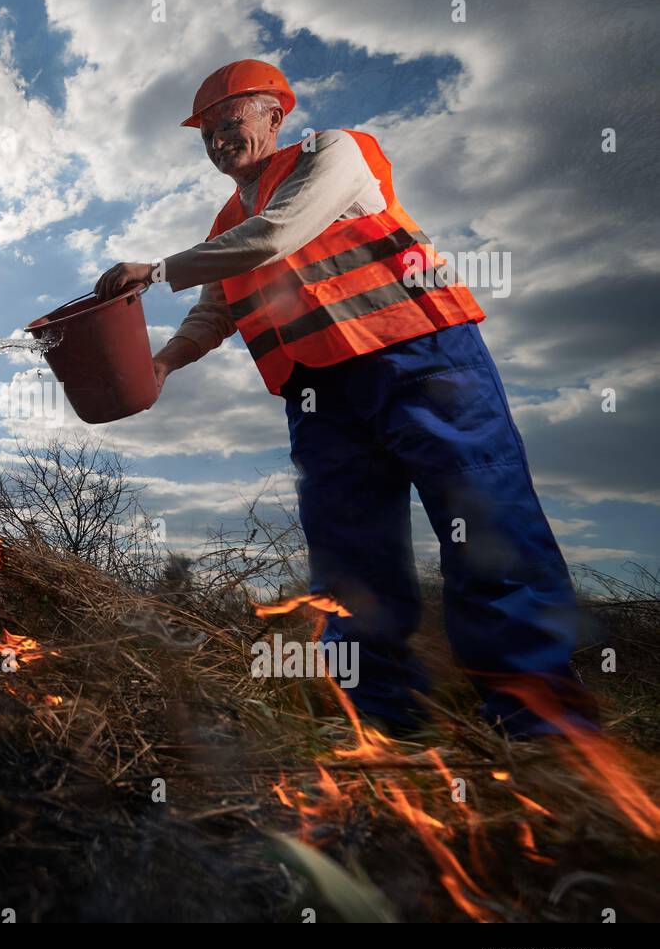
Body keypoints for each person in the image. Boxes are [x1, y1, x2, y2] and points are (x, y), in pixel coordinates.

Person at [94, 59, 595, 737]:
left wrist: (154, 270)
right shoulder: (223, 225)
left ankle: (541, 729)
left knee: (486, 527)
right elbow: (216, 314)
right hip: (319, 394)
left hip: (419, 357)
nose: (217, 140)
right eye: (206, 133)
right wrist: (160, 365)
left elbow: (278, 232)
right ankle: (385, 729)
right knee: (350, 561)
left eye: (229, 123)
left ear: (275, 114)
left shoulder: (336, 151)